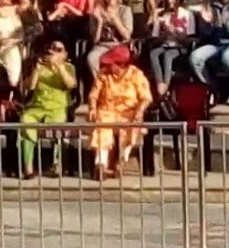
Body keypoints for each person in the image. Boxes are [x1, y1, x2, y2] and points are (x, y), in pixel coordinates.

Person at [87, 46, 153, 179]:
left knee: (131, 127)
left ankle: (122, 161)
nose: (109, 66)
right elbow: (93, 95)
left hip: (128, 112)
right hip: (107, 110)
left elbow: (146, 97)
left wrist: (140, 110)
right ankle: (101, 164)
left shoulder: (136, 74)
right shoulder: (103, 74)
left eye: (112, 64)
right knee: (102, 125)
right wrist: (92, 108)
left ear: (121, 64)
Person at [18, 39, 77, 179]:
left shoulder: (68, 67)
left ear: (65, 54)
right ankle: (28, 168)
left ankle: (57, 165)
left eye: (58, 49)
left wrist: (59, 66)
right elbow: (29, 86)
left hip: (57, 107)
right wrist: (37, 70)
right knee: (26, 121)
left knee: (57, 127)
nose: (53, 51)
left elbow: (71, 85)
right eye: (51, 48)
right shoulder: (40, 67)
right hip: (37, 106)